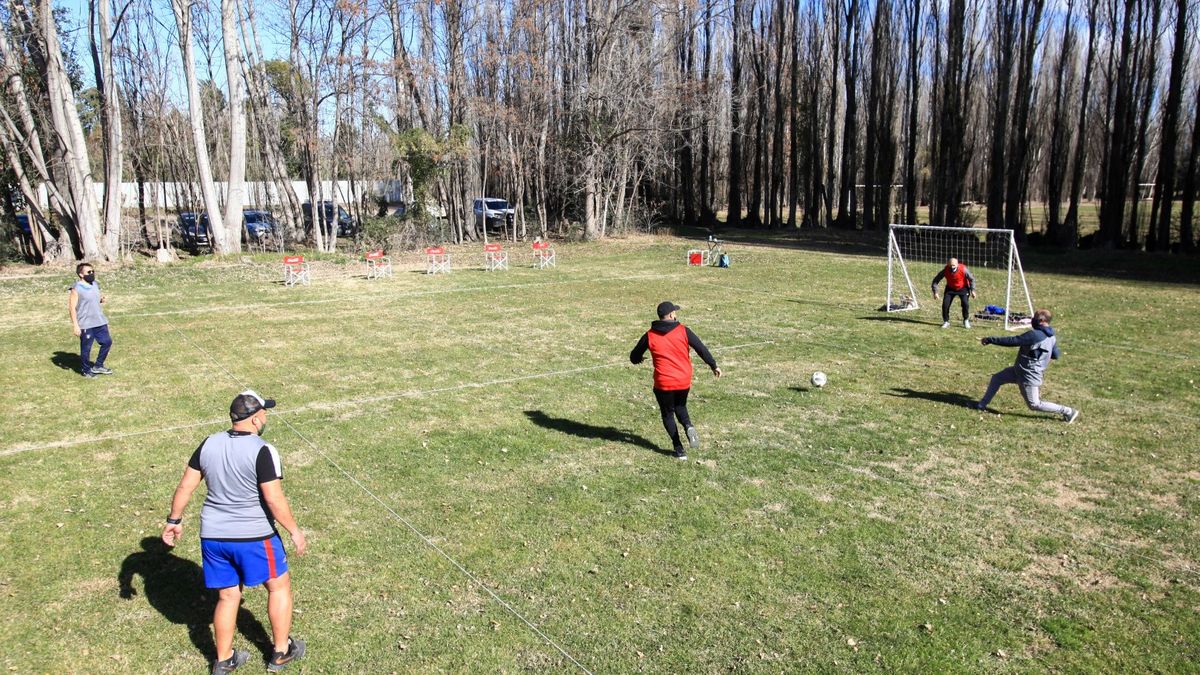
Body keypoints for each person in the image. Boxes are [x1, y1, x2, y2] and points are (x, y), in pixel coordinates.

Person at [163, 391, 308, 673]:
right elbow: (274, 498)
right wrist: (294, 531)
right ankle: (281, 652)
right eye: (264, 413)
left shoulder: (208, 443)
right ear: (255, 419)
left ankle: (224, 659)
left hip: (213, 537)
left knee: (228, 597)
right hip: (255, 537)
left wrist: (174, 520)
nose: (265, 417)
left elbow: (186, 486)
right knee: (278, 586)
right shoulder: (263, 450)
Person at [629, 301, 722, 460]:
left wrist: (639, 359)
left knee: (668, 414)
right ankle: (688, 426)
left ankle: (679, 449)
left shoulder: (649, 335)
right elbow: (701, 349)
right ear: (671, 315)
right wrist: (713, 365)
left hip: (663, 383)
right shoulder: (684, 330)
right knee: (680, 406)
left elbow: (633, 356)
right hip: (683, 380)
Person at [973, 308, 1080, 423]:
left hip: (1029, 375)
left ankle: (1068, 411)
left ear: (1042, 321)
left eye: (1035, 318)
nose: (1033, 320)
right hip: (1019, 370)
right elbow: (1056, 355)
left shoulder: (1035, 335)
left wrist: (990, 340)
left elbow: (1013, 341)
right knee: (997, 378)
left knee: (1034, 404)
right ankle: (981, 405)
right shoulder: (1051, 336)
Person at [68, 262, 113, 377]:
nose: (92, 273)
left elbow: (93, 299)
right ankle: (86, 370)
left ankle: (98, 365)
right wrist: (76, 325)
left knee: (107, 342)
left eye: (93, 271)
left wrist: (101, 300)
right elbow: (72, 308)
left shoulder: (95, 284)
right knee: (86, 348)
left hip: (99, 321)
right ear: (81, 274)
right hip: (86, 323)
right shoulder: (76, 288)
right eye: (89, 272)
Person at [931, 257, 976, 329]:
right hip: (950, 288)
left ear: (957, 264)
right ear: (948, 264)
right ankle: (946, 321)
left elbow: (972, 279)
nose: (952, 267)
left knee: (965, 304)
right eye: (950, 265)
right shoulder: (945, 270)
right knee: (945, 305)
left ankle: (966, 320)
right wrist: (935, 292)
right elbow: (935, 280)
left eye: (953, 265)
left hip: (963, 288)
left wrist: (973, 290)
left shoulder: (963, 269)